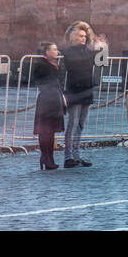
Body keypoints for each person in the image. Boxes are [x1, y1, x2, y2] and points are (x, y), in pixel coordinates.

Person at [60, 21, 108, 168]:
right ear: (74, 37)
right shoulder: (68, 52)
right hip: (74, 91)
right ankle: (68, 157)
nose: (83, 38)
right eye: (80, 36)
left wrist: (104, 47)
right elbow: (69, 67)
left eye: (85, 36)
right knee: (72, 124)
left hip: (86, 91)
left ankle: (76, 155)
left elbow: (102, 63)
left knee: (81, 124)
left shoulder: (89, 52)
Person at [33, 42, 65, 171]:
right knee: (45, 131)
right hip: (47, 100)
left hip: (54, 100)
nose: (57, 52)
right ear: (47, 52)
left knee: (50, 132)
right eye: (54, 49)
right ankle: (45, 157)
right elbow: (39, 82)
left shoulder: (55, 64)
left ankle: (49, 158)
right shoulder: (41, 65)